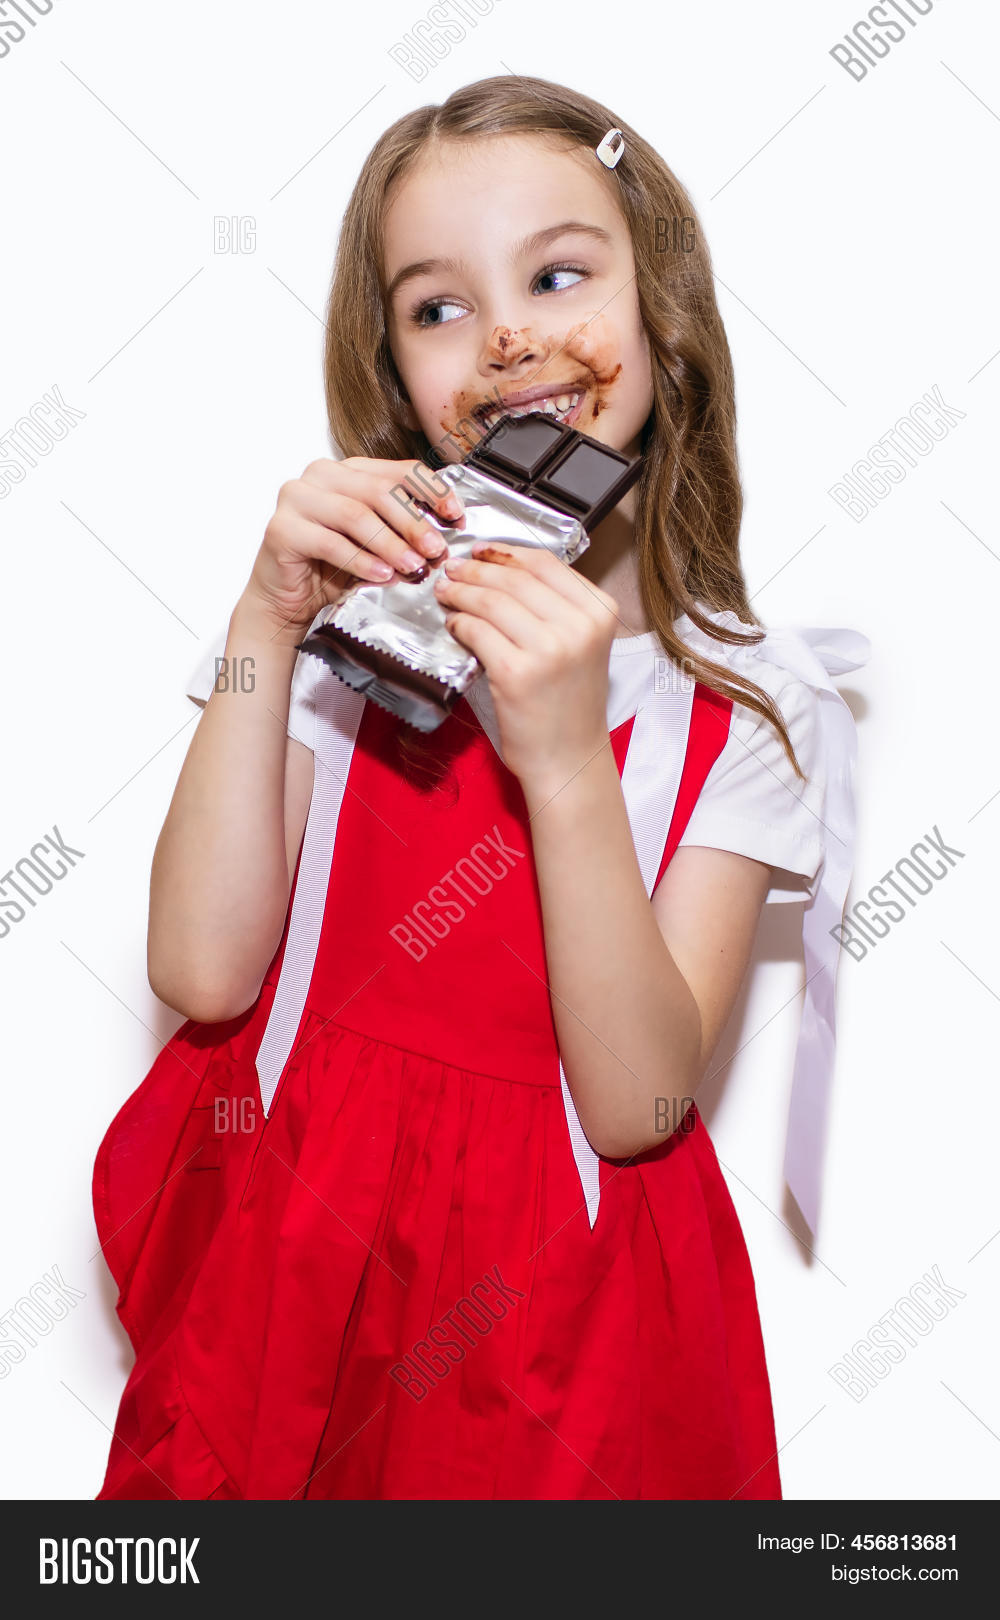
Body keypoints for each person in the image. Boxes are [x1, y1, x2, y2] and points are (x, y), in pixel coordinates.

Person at [92, 75, 868, 1501]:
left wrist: (567, 761)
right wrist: (262, 627)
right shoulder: (350, 624)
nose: (508, 338)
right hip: (301, 1256)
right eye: (437, 307)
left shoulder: (750, 701)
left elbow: (640, 1101)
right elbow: (202, 971)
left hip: (558, 1312)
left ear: (663, 320)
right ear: (399, 377)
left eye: (559, 275)